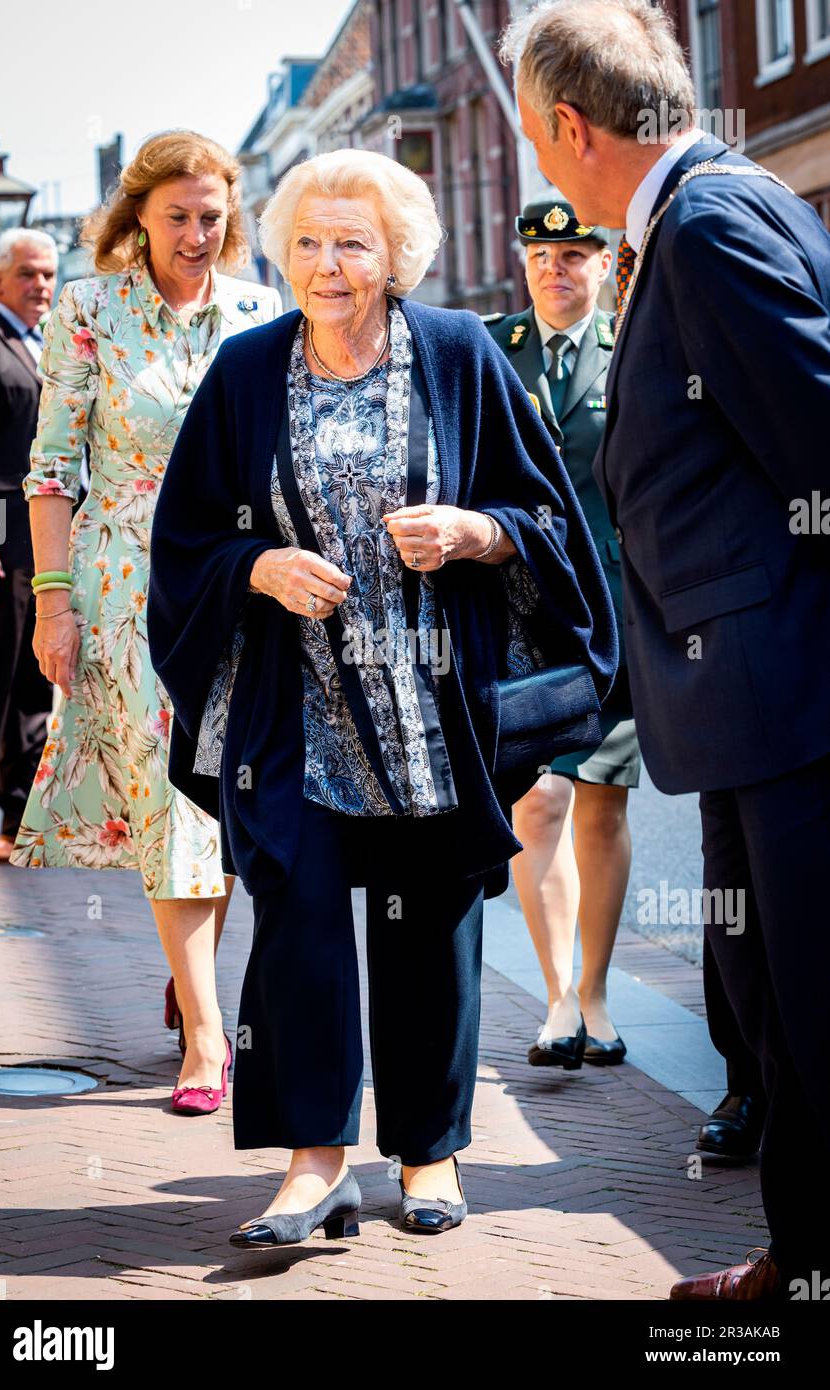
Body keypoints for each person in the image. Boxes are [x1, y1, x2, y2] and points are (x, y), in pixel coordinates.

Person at [147, 147, 617, 1247]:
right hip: (294, 703)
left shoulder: (457, 354)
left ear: (396, 253)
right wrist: (255, 569)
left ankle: (428, 1152)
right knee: (300, 924)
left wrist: (474, 531)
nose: (328, 264)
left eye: (352, 242)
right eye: (307, 242)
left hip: (430, 707)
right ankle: (315, 1163)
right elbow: (187, 535)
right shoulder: (249, 369)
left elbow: (546, 513)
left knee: (428, 930)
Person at [502, 0, 830, 1299]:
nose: (537, 160)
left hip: (789, 698)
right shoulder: (710, 211)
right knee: (777, 1009)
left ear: (570, 127)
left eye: (534, 138)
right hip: (752, 698)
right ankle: (800, 1261)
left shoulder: (699, 227)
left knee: (808, 1004)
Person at [8, 131, 281, 1116]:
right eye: (179, 217)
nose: (199, 235)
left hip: (240, 581)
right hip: (126, 579)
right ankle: (206, 1038)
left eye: (213, 216)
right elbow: (49, 471)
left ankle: (191, 962)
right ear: (139, 219)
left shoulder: (262, 312)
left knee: (232, 801)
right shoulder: (88, 310)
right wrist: (50, 599)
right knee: (170, 792)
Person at [485, 197, 638, 1070]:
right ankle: (554, 1001)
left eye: (573, 255)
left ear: (599, 261)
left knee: (604, 803)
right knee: (538, 797)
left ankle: (597, 993)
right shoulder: (490, 350)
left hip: (613, 613)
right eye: (540, 255)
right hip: (521, 612)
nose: (554, 269)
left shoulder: (632, 352)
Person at [0, 229, 57, 863]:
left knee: (31, 686)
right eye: (27, 274)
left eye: (48, 275)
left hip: (38, 546)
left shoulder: (45, 347)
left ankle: (20, 817)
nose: (40, 286)